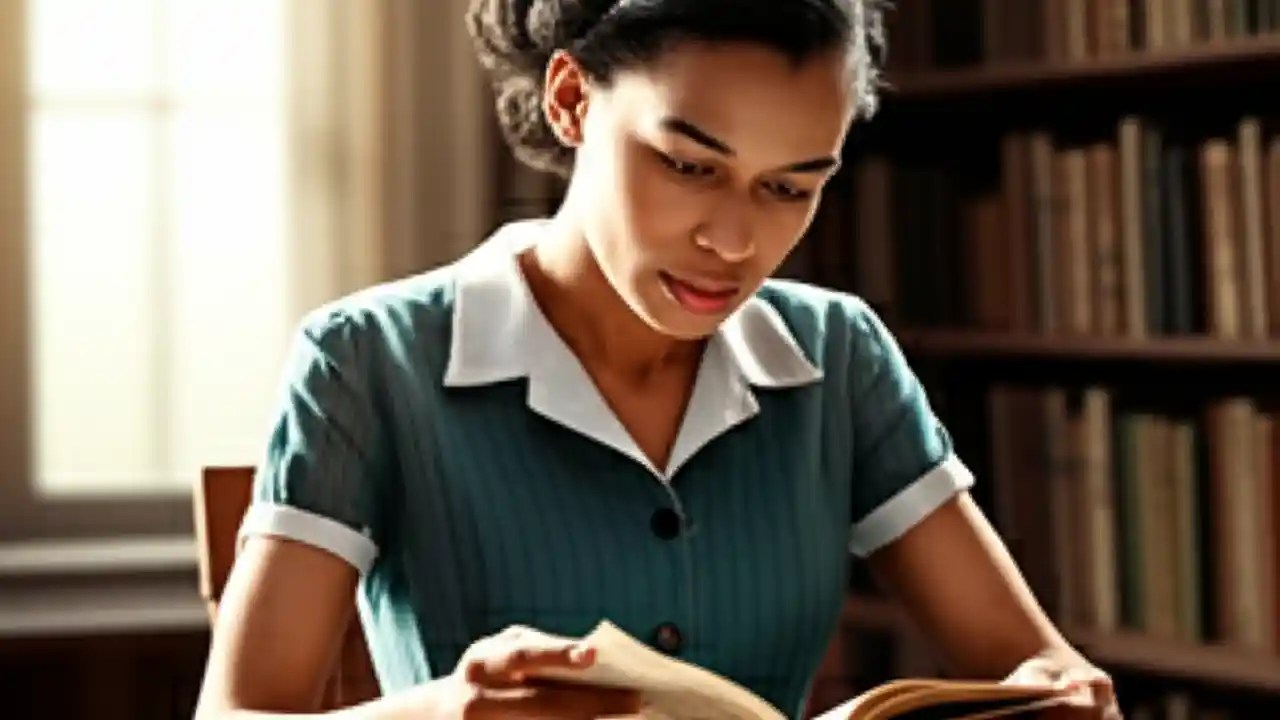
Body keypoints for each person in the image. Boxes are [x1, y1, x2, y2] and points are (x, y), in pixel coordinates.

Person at [193, 1, 1123, 718]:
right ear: (570, 101)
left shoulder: (839, 356)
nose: (734, 239)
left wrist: (1061, 695)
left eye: (790, 187)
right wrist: (446, 709)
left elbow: (1038, 666)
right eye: (688, 165)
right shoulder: (367, 359)